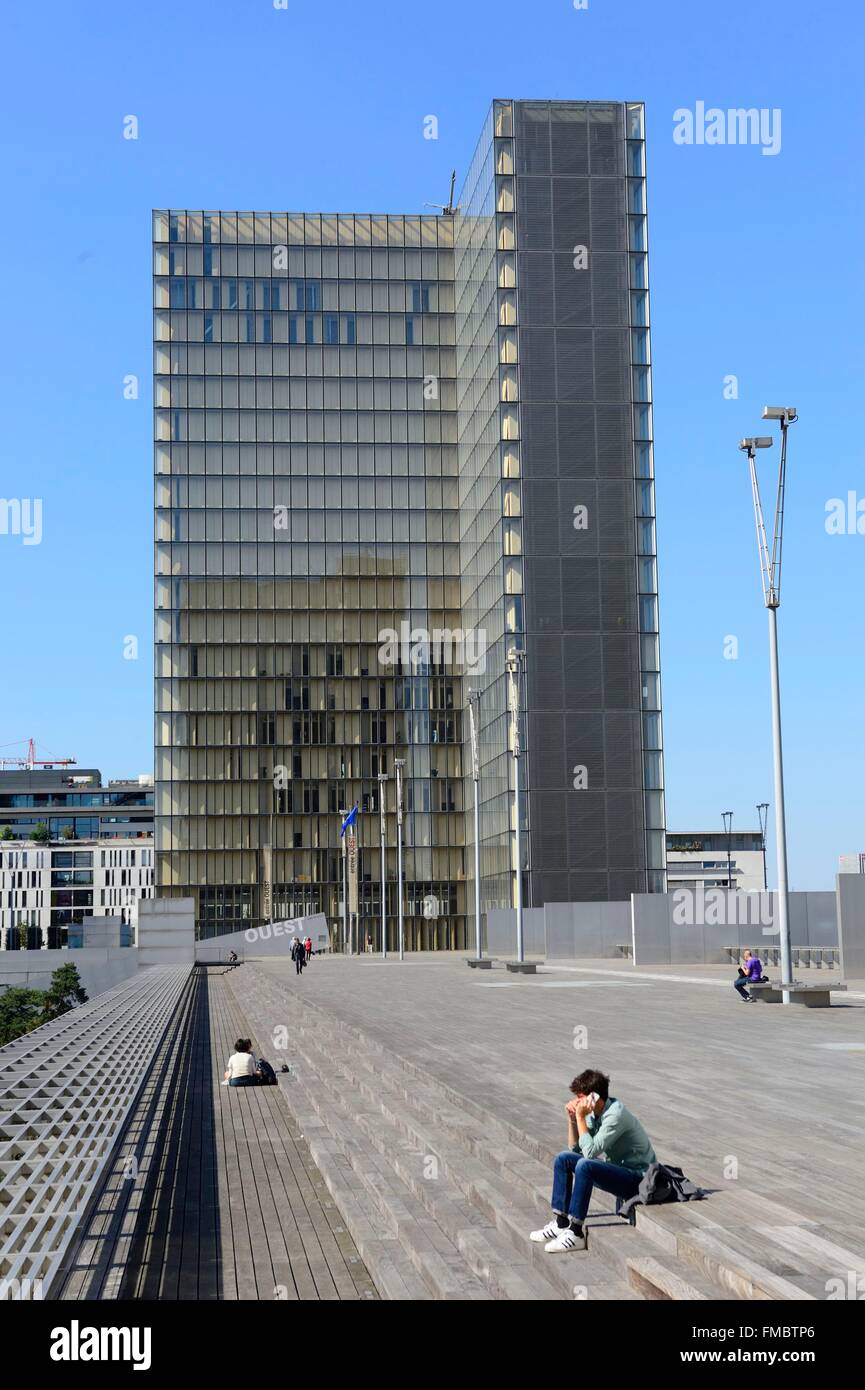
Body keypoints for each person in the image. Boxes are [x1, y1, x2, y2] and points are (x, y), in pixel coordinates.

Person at [529, 1069, 657, 1253]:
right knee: (563, 1159)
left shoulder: (615, 1115)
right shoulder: (594, 1113)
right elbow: (576, 1148)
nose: (577, 1102)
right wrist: (573, 1120)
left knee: (585, 1165)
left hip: (637, 1179)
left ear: (594, 1097)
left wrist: (580, 1116)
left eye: (580, 1097)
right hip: (618, 1171)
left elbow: (589, 1153)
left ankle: (576, 1232)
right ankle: (561, 1223)